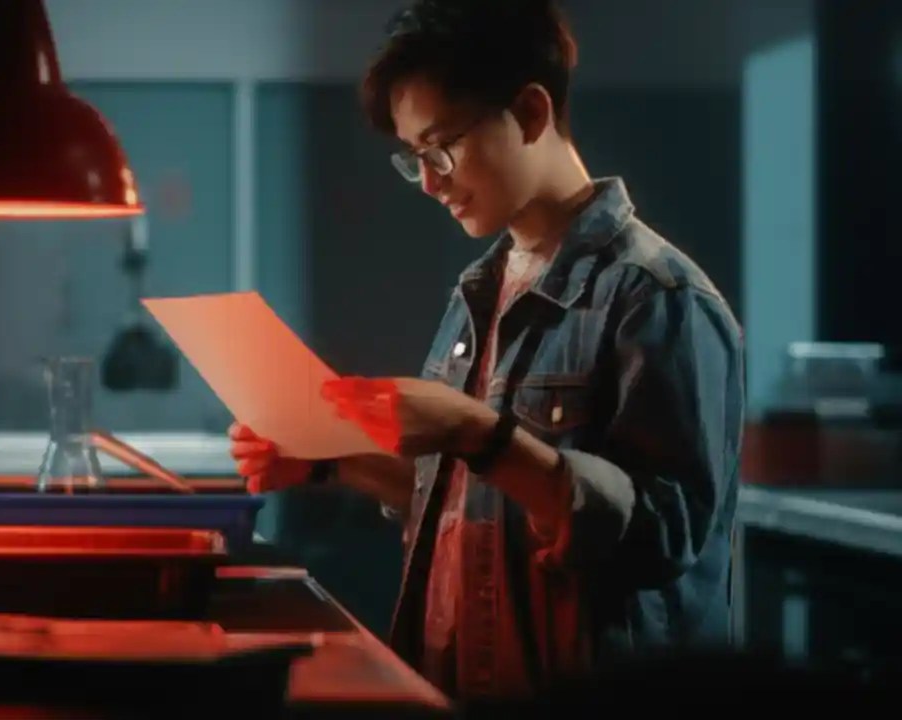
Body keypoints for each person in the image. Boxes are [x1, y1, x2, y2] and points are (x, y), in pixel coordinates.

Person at [228, 0, 746, 707]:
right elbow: (456, 503)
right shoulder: (480, 292)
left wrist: (473, 430)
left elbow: (663, 539)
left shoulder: (657, 297)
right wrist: (329, 461)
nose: (432, 180)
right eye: (416, 160)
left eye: (442, 147)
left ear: (531, 113)